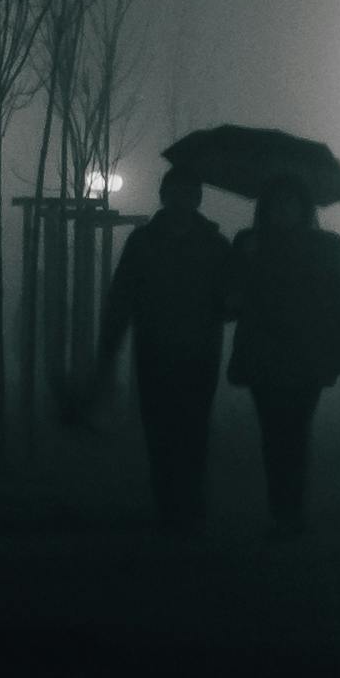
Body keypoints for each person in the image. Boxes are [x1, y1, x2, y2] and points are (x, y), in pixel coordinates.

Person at [94, 167, 235, 530]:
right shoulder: (190, 243)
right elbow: (122, 297)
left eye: (187, 192)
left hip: (195, 350)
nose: (182, 199)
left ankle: (184, 503)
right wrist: (109, 345)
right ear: (166, 195)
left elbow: (231, 300)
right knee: (162, 428)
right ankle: (175, 503)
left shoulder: (205, 245)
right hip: (161, 348)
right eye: (177, 191)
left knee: (189, 428)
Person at [225, 180, 340, 537]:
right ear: (265, 208)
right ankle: (283, 508)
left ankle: (289, 508)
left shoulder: (327, 246)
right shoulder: (249, 244)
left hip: (304, 353)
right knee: (274, 431)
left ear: (304, 208)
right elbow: (230, 302)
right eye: (277, 203)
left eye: (291, 203)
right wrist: (244, 264)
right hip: (266, 351)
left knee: (295, 429)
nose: (284, 210)